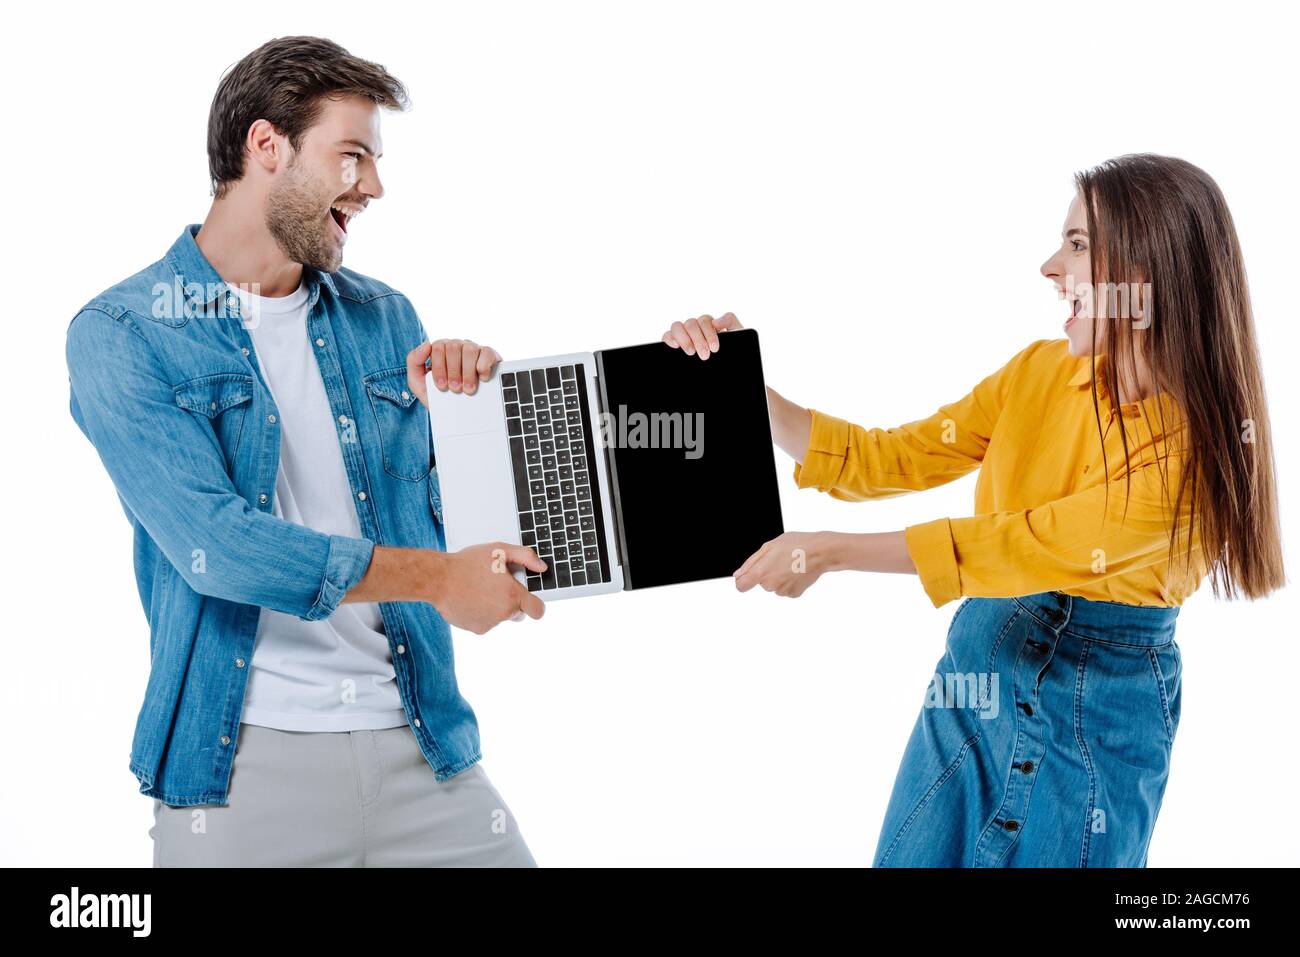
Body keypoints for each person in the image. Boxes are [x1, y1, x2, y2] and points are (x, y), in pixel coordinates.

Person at [663, 153, 1284, 866]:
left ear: (1142, 275)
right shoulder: (1039, 372)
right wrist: (740, 385)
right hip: (979, 666)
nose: (1050, 267)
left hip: (1098, 707)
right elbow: (887, 456)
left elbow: (1014, 545)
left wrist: (829, 551)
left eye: (1077, 245)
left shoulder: (1190, 461)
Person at [66, 36, 544, 866]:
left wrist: (466, 419)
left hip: (420, 744)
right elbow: (223, 550)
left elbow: (453, 522)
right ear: (266, 146)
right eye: (352, 154)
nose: (375, 186)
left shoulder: (385, 317)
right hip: (243, 772)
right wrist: (440, 581)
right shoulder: (124, 334)